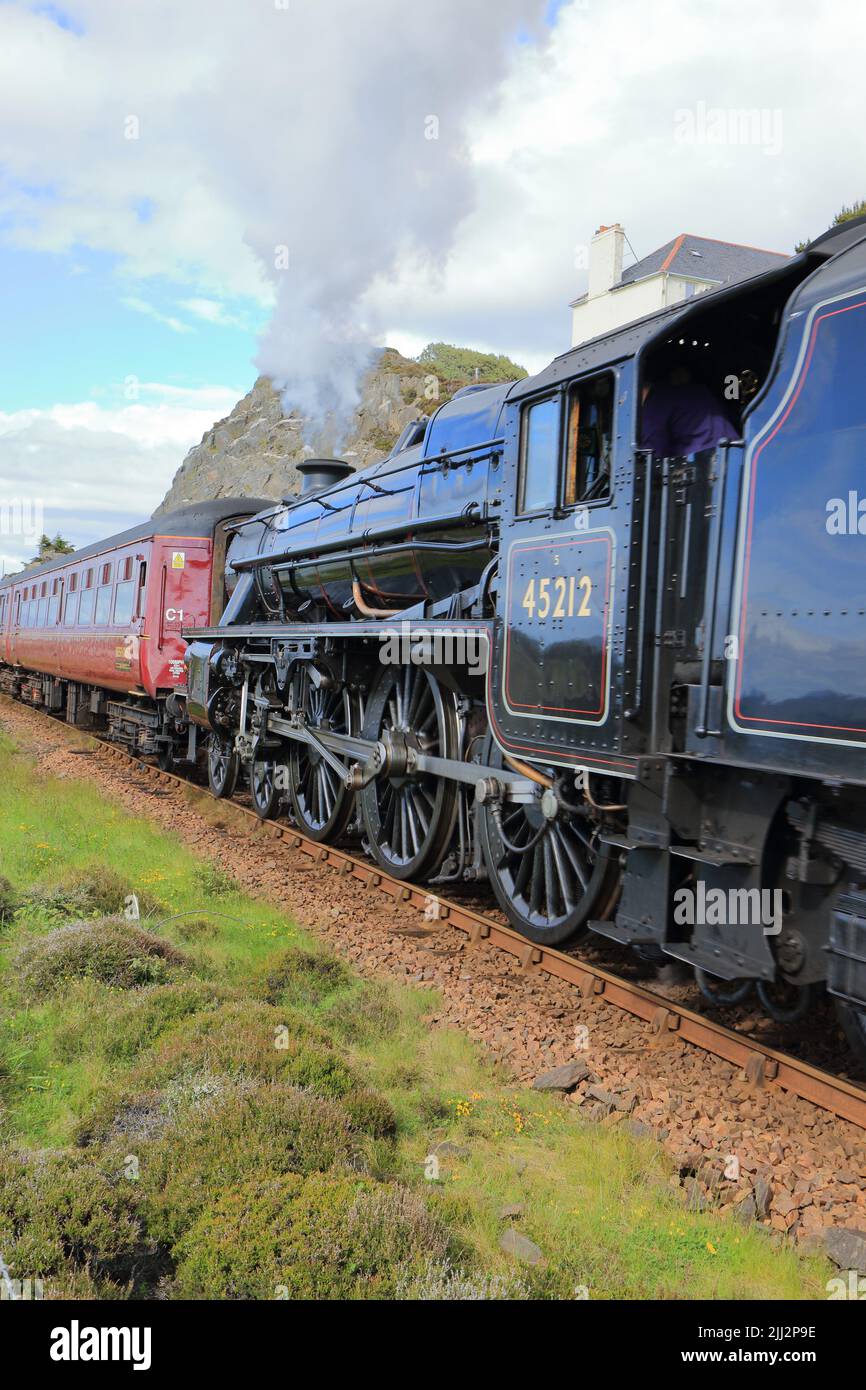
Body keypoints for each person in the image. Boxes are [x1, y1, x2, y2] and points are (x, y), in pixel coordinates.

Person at [640, 366, 738, 457]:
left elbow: (654, 451)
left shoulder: (655, 403)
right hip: (736, 449)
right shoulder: (698, 389)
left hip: (706, 458)